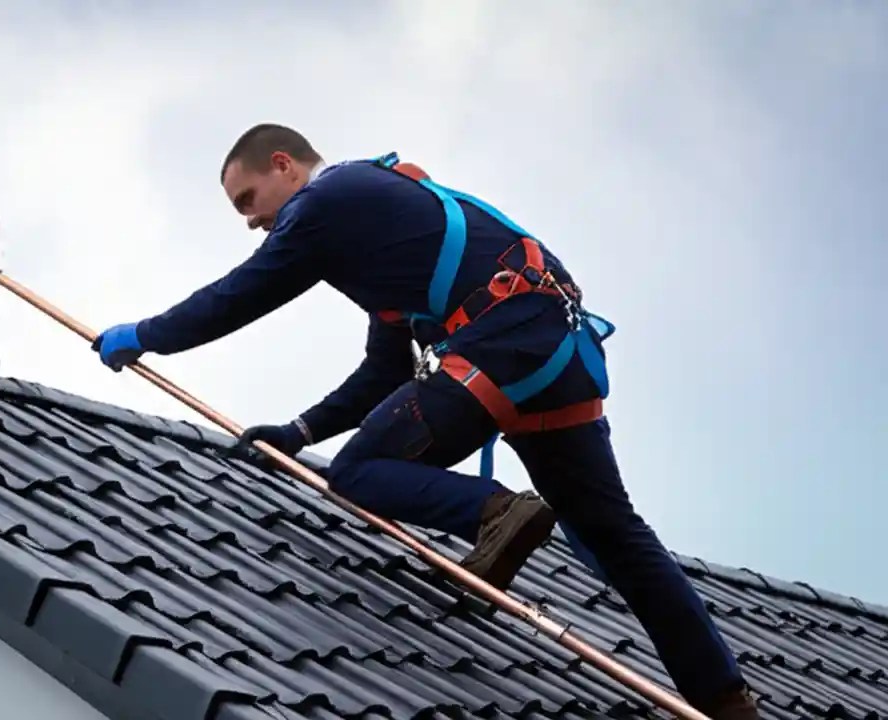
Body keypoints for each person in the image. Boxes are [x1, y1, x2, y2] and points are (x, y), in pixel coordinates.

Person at [91, 123, 758, 718]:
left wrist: (145, 335)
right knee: (613, 536)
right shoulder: (388, 239)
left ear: (285, 166)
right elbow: (383, 372)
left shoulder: (326, 202)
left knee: (355, 473)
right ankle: (726, 701)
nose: (250, 222)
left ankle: (497, 513)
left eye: (247, 201)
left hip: (507, 340)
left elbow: (240, 294)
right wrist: (298, 433)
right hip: (554, 349)